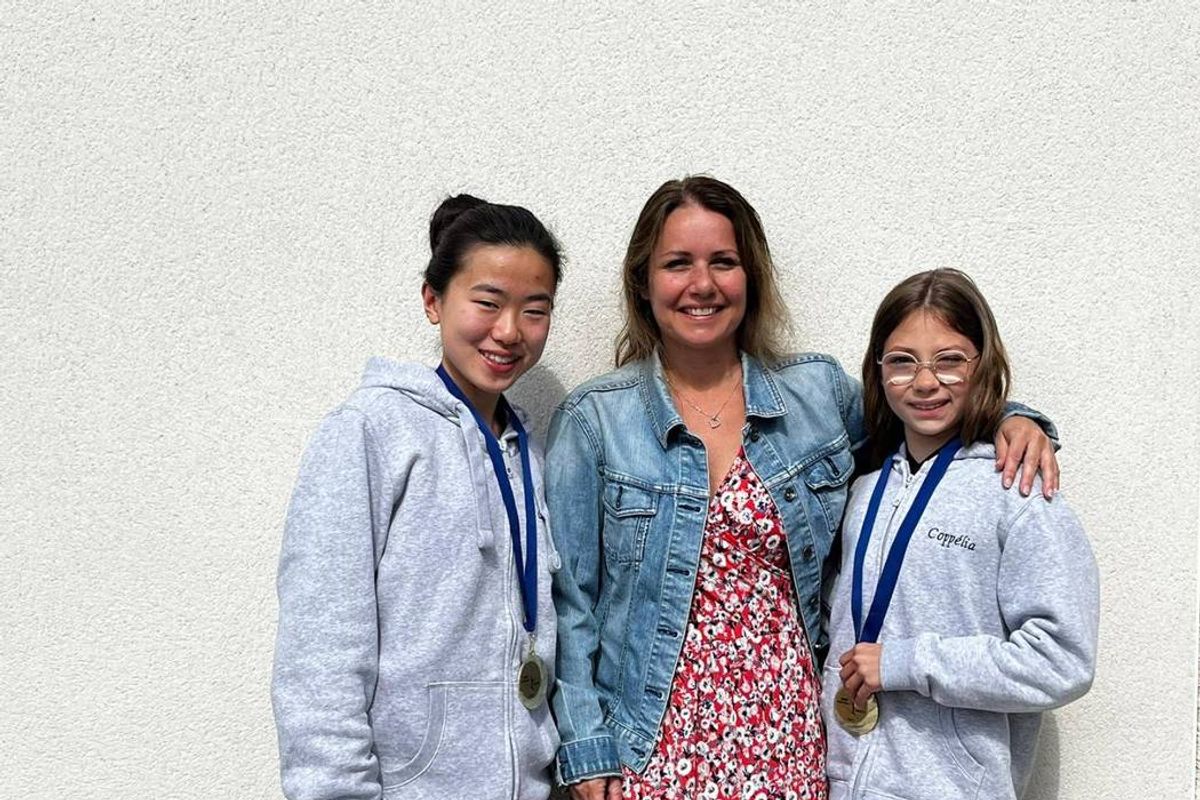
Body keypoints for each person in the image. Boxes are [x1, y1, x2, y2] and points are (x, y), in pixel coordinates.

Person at [544, 176, 1059, 800]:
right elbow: (570, 602)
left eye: (723, 262)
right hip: (647, 750)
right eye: (677, 263)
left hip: (789, 743)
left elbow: (922, 414)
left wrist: (1012, 417)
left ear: (750, 276)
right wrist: (585, 746)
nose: (701, 284)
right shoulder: (595, 421)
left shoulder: (816, 397)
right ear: (644, 282)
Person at [272, 195, 564, 800]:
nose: (508, 331)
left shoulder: (527, 454)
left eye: (534, 311)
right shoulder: (370, 431)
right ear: (433, 300)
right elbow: (321, 649)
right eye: (487, 302)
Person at [824, 269, 1097, 800]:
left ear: (982, 365)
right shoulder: (861, 491)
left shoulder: (1017, 490)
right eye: (902, 361)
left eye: (949, 360)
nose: (925, 382)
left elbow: (1062, 660)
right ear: (878, 372)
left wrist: (906, 663)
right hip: (840, 782)